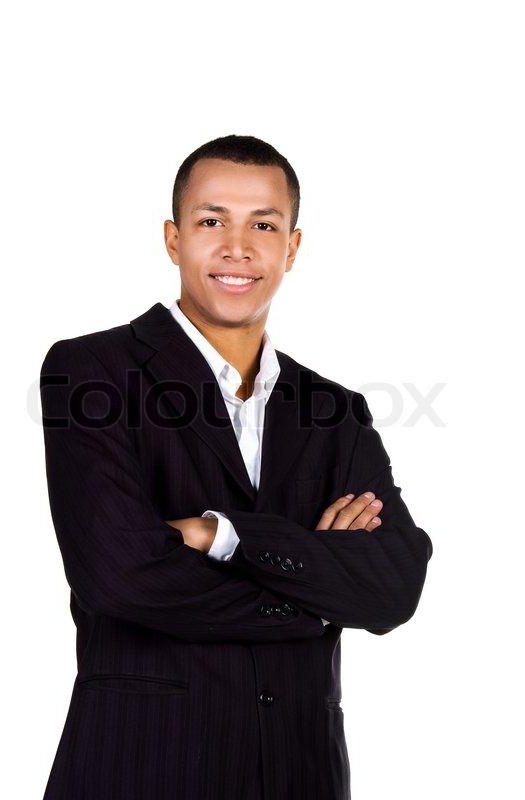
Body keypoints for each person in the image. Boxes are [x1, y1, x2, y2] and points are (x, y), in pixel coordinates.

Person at [39, 134, 432, 800]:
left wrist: (218, 535)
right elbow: (121, 577)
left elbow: (393, 589)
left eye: (263, 225)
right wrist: (317, 587)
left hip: (299, 774)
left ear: (292, 247)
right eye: (211, 220)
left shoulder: (334, 412)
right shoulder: (92, 373)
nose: (237, 247)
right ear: (172, 238)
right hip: (141, 768)